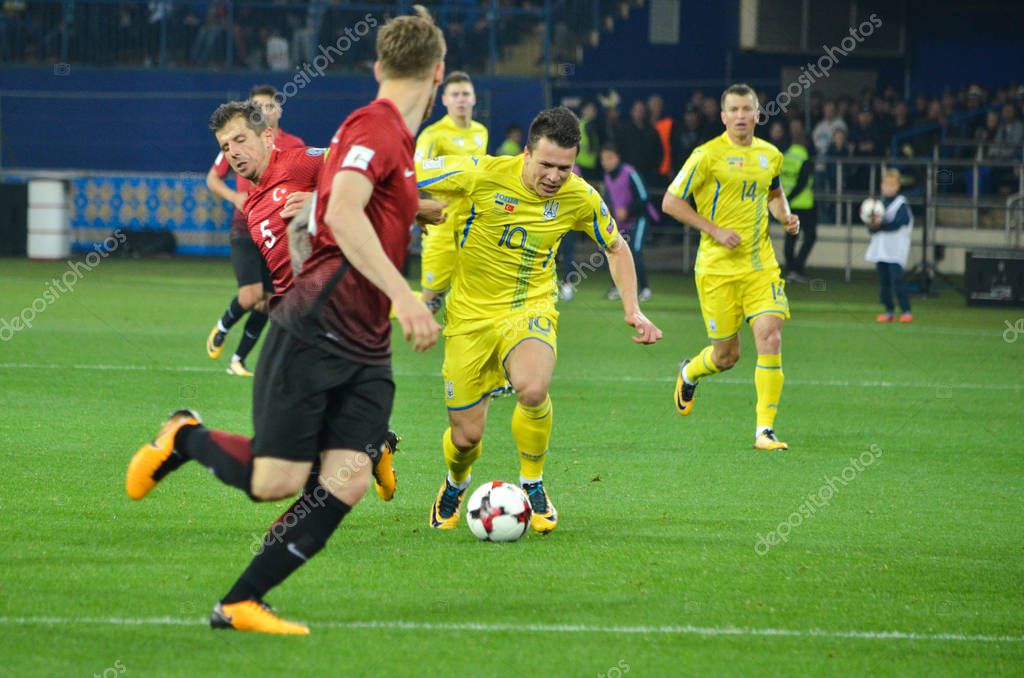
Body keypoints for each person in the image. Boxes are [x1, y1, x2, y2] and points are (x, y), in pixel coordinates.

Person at [125, 6, 445, 635]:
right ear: (439, 73)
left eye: (239, 140)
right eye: (225, 147)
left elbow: (351, 196)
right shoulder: (373, 132)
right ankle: (184, 436)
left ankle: (240, 602)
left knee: (344, 483)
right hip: (315, 329)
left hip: (364, 342)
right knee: (276, 483)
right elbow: (347, 215)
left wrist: (410, 210)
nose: (234, 153)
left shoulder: (356, 146)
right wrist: (406, 295)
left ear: (380, 66)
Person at [415, 106, 662, 534]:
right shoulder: (480, 172)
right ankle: (456, 483)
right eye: (546, 164)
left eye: (564, 167)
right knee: (465, 438)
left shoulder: (579, 195)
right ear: (526, 154)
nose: (554, 175)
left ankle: (532, 482)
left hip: (531, 308)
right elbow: (391, 173)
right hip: (470, 318)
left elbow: (616, 247)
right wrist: (414, 207)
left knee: (533, 388)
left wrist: (632, 309)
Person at [662, 83, 800, 451]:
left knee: (770, 335)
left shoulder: (770, 155)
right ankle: (689, 371)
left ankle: (764, 431)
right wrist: (714, 230)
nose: (740, 116)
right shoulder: (706, 155)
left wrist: (785, 216)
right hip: (717, 270)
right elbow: (670, 201)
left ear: (758, 114)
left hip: (760, 267)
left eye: (747, 109)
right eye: (733, 110)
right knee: (726, 357)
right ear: (723, 117)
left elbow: (772, 191)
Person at [205, 84, 306, 376]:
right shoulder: (237, 141)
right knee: (250, 296)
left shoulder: (295, 144)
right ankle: (222, 327)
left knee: (269, 300)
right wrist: (236, 197)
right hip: (245, 225)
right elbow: (213, 179)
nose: (263, 111)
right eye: (257, 106)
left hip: (277, 229)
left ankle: (238, 360)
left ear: (279, 110)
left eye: (269, 106)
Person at [414, 70, 489, 312]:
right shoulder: (433, 135)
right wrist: (417, 207)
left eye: (465, 94)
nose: (461, 99)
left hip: (474, 227)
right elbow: (414, 172)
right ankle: (383, 305)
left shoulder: (481, 132)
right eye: (455, 94)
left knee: (473, 299)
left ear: (474, 98)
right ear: (444, 99)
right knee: (429, 305)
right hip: (442, 226)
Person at [600, 143, 656, 302]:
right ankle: (618, 288)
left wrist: (627, 210)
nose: (606, 162)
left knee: (635, 251)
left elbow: (644, 197)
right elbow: (607, 201)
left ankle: (644, 289)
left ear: (618, 158)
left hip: (639, 219)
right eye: (603, 159)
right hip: (620, 223)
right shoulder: (607, 177)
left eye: (609, 158)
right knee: (613, 252)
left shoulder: (630, 173)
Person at [866, 169, 913, 323]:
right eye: (886, 184)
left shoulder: (901, 204)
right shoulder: (878, 204)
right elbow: (871, 227)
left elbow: (899, 223)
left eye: (892, 185)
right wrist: (872, 225)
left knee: (897, 280)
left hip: (895, 249)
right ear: (881, 185)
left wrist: (878, 225)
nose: (888, 188)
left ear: (898, 186)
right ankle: (889, 310)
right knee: (883, 282)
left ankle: (906, 310)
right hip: (881, 249)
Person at [781, 118, 816, 283]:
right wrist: (791, 197)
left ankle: (790, 269)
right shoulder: (804, 157)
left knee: (790, 237)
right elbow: (802, 183)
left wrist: (785, 199)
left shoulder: (786, 156)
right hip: (805, 204)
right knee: (810, 236)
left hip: (789, 204)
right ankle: (797, 268)